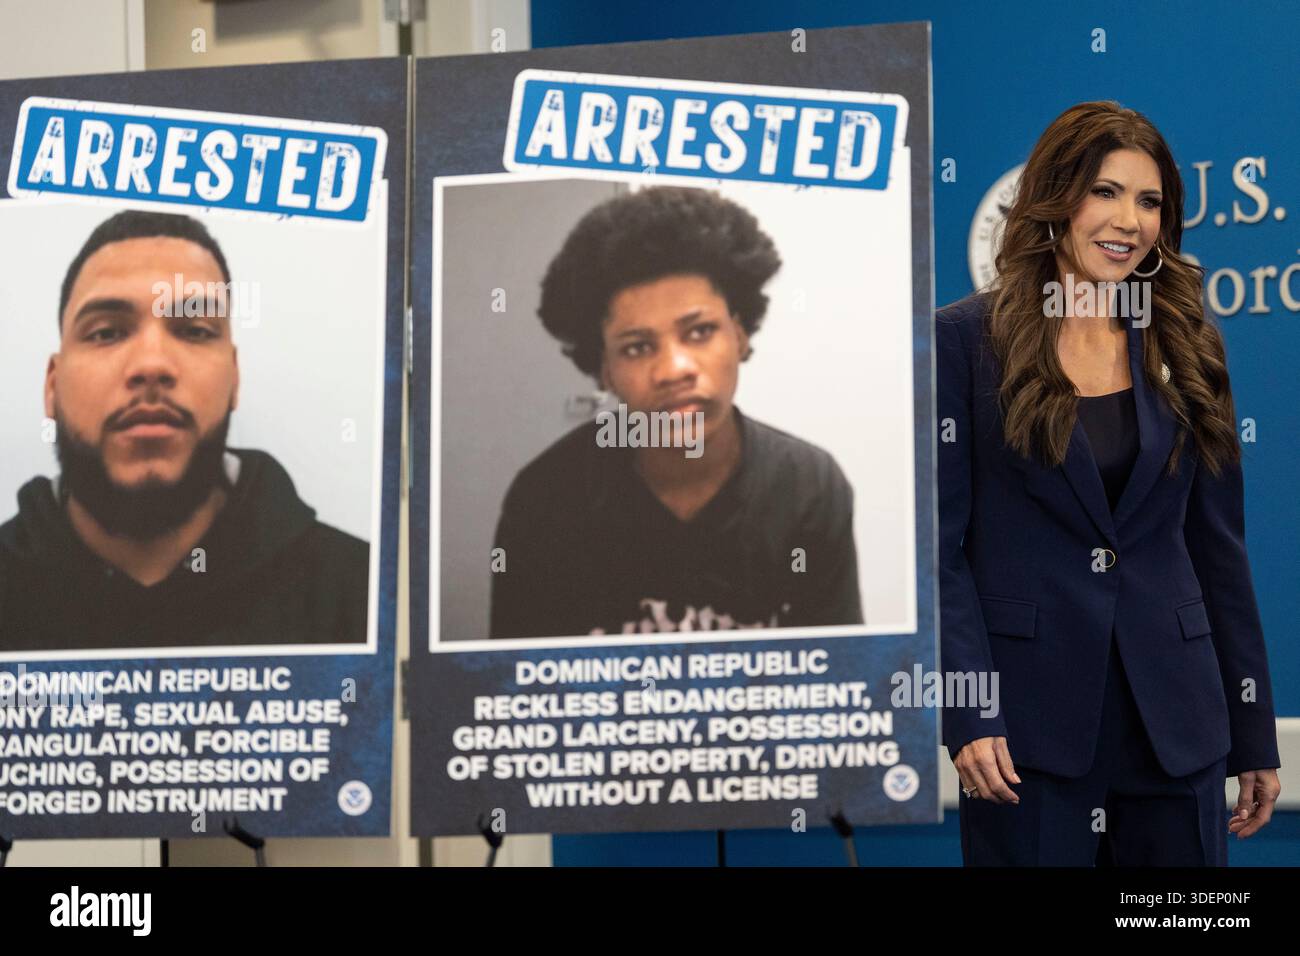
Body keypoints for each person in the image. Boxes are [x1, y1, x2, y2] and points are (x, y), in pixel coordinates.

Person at [938, 101, 1281, 865]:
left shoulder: (1188, 338)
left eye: (1149, 200)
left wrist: (1252, 727)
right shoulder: (964, 341)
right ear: (1056, 199)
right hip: (1026, 737)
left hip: (1178, 729)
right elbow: (939, 555)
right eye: (1105, 191)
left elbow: (1218, 547)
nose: (1129, 219)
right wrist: (968, 710)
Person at [488, 185, 862, 639]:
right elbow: (516, 694)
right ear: (603, 368)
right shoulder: (544, 501)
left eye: (700, 331)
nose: (674, 369)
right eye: (638, 347)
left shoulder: (810, 487)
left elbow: (842, 684)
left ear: (740, 336)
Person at [0, 210, 368, 651]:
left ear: (233, 378)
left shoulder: (362, 595)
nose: (151, 364)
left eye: (194, 330)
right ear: (52, 386)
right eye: (106, 332)